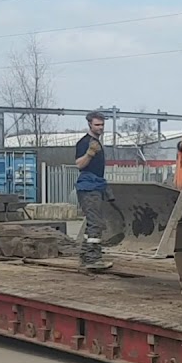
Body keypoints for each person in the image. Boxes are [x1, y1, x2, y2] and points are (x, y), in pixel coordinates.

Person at [74, 112, 113, 271]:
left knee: (92, 223)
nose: (100, 128)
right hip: (88, 187)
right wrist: (90, 154)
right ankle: (93, 259)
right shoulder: (84, 143)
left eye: (102, 125)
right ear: (90, 124)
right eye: (97, 125)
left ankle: (85, 256)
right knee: (95, 224)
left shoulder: (97, 142)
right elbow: (79, 165)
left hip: (96, 186)